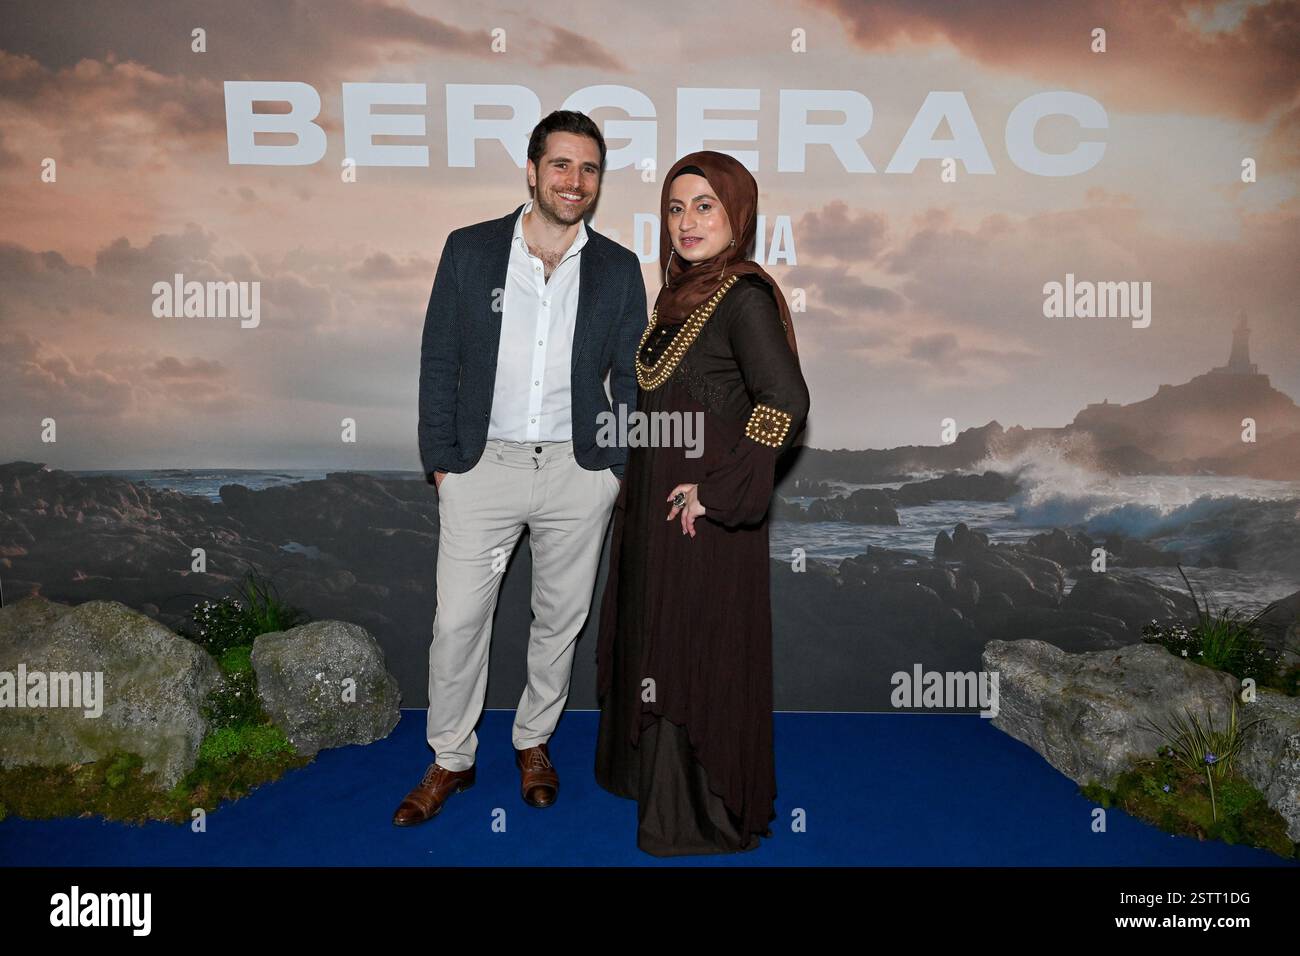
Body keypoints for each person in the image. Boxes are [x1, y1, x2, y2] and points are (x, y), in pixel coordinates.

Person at [395, 111, 645, 825]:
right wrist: (444, 464)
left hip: (577, 471)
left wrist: (615, 468)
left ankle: (533, 741)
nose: (575, 180)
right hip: (483, 468)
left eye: (589, 168)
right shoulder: (470, 250)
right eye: (561, 164)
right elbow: (439, 357)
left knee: (559, 621)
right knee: (458, 624)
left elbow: (634, 378)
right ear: (532, 171)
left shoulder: (618, 268)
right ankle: (451, 757)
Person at [594, 150, 810, 855]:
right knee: (654, 637)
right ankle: (648, 780)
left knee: (688, 648)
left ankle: (697, 812)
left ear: (737, 216)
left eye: (705, 206)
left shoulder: (743, 297)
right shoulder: (676, 298)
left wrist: (717, 491)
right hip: (655, 511)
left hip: (701, 522)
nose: (687, 222)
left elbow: (785, 403)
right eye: (675, 207)